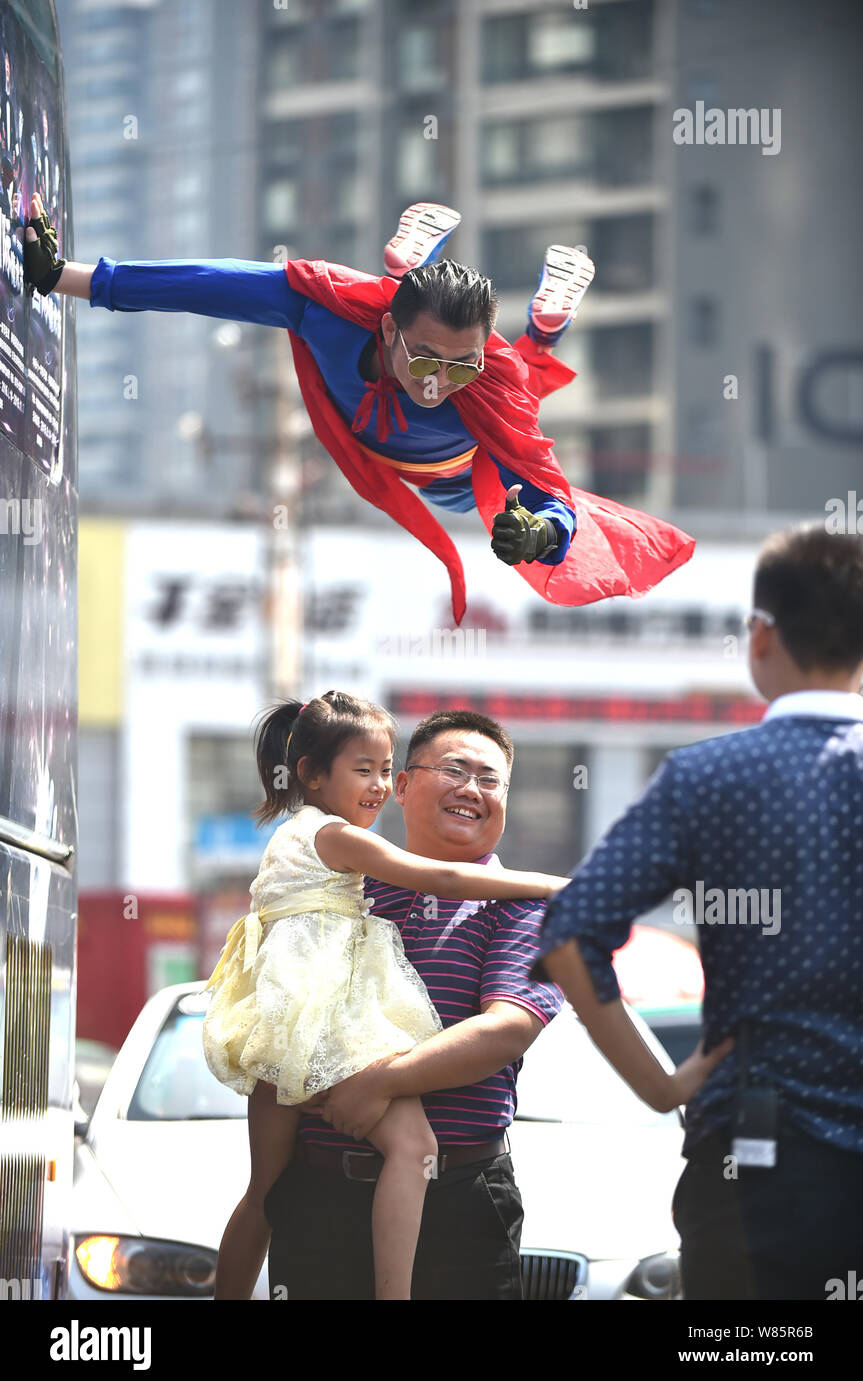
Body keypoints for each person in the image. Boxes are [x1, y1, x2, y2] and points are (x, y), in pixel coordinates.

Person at [22, 193, 694, 622]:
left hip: (463, 476)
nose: (438, 384)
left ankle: (538, 319)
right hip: (387, 421)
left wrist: (545, 534)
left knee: (523, 384)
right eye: (426, 360)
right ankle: (414, 272)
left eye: (461, 364)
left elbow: (545, 484)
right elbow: (208, 285)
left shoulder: (487, 381)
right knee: (502, 371)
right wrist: (68, 278)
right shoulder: (329, 306)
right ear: (385, 330)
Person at [531, 523, 863, 1300]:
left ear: (759, 637)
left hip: (756, 1158)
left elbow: (571, 933)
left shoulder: (707, 777)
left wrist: (660, 1087)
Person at [201, 690, 567, 1301]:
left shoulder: (525, 907)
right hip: (320, 1199)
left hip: (459, 1203)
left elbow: (506, 1028)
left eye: (490, 779)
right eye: (453, 770)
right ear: (403, 786)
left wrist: (378, 1083)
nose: (471, 789)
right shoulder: (353, 888)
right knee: (264, 1193)